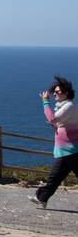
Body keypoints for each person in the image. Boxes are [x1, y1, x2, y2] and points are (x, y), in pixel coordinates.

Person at [31, 77, 78, 210]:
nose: (55, 94)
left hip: (72, 150)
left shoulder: (69, 106)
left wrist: (45, 102)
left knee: (54, 177)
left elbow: (52, 119)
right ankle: (42, 199)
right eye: (55, 92)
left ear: (66, 93)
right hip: (65, 151)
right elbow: (58, 123)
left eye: (59, 92)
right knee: (54, 178)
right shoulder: (63, 107)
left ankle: (41, 198)